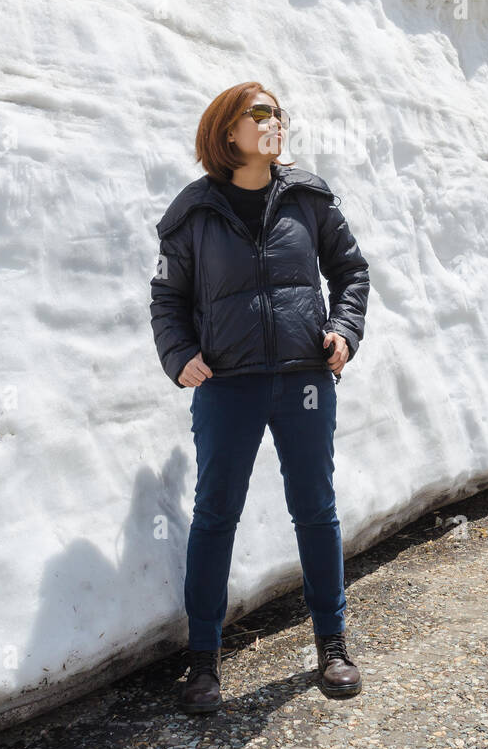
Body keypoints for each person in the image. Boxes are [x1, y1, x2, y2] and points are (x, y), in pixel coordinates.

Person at [150, 81, 370, 713]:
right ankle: (202, 664)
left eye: (279, 113)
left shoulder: (309, 198)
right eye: (262, 112)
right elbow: (166, 298)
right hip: (228, 385)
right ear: (228, 131)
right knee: (216, 515)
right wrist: (179, 354)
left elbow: (351, 270)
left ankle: (332, 646)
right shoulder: (192, 213)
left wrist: (345, 332)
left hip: (304, 378)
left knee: (315, 509)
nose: (276, 122)